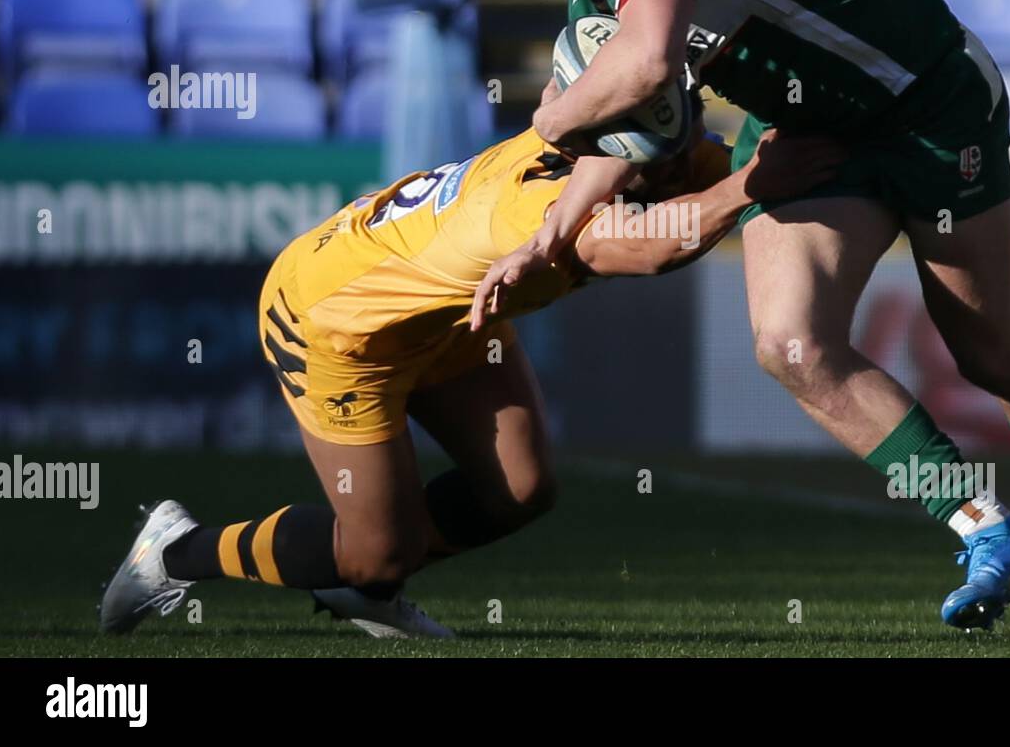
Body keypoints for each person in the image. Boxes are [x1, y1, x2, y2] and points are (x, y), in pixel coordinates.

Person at [437, 0, 1010, 631]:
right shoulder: (591, 12)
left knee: (988, 350)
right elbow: (621, 136)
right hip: (809, 134)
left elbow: (647, 63)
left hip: (927, 97)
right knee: (790, 343)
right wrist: (542, 238)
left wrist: (545, 125)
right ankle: (984, 528)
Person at [99, 116, 841, 638]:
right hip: (339, 324)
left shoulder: (636, 143)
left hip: (444, 315)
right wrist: (753, 184)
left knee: (519, 488)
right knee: (374, 552)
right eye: (659, 140)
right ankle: (176, 550)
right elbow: (655, 245)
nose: (683, 152)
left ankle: (368, 590)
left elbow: (727, 157)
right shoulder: (533, 210)